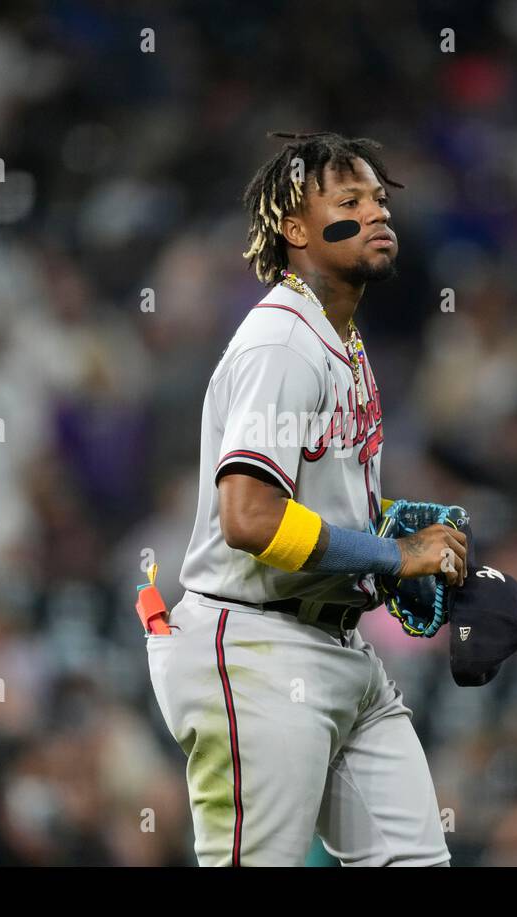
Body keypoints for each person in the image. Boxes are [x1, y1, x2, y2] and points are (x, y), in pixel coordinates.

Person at [146, 132, 464, 866]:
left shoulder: (340, 343)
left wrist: (426, 562)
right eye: (348, 201)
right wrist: (391, 553)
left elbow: (319, 510)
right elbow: (248, 518)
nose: (377, 214)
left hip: (339, 649)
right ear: (296, 229)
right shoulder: (281, 343)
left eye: (379, 200)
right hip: (256, 646)